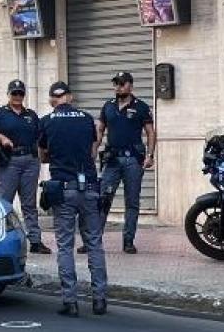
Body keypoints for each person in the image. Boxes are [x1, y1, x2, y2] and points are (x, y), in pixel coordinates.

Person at [38, 81, 107, 317]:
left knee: (65, 246)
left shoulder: (46, 121)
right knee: (94, 244)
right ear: (70, 97)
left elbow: (43, 156)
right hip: (89, 187)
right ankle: (100, 300)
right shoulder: (86, 119)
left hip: (64, 189)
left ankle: (71, 302)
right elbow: (92, 150)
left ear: (52, 100)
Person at [0, 79, 50, 255]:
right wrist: (1, 138)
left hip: (30, 161)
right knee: (4, 202)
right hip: (8, 161)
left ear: (24, 95)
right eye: (14, 93)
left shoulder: (31, 115)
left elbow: (41, 136)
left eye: (20, 93)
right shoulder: (0, 113)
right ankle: (1, 240)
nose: (17, 96)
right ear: (8, 94)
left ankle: (35, 241)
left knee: (29, 204)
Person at [95, 71, 156, 254]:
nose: (118, 87)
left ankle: (128, 241)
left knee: (132, 202)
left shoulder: (141, 107)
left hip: (133, 161)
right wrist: (92, 151)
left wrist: (150, 155)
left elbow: (150, 132)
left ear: (130, 85)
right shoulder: (108, 106)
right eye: (116, 84)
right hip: (112, 160)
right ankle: (93, 240)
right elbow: (100, 131)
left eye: (122, 84)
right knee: (103, 199)